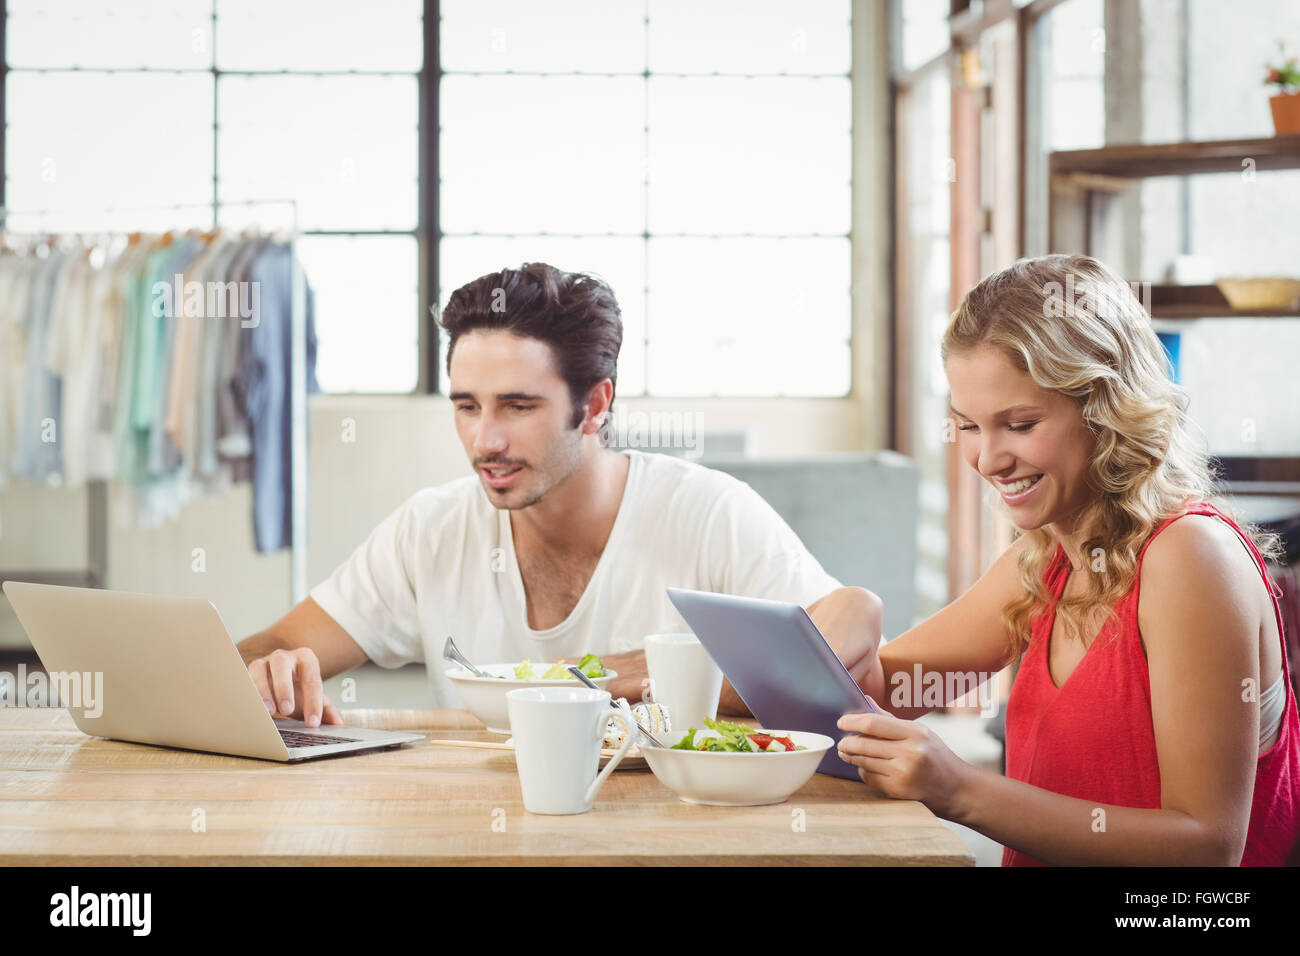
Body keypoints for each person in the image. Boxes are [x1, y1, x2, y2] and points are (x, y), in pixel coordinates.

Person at [236, 262, 880, 728]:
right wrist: (270, 672)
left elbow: (850, 625)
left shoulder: (707, 513)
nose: (484, 440)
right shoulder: (429, 531)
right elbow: (258, 653)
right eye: (467, 406)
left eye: (518, 406)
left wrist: (645, 674)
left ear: (594, 404)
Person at [834, 254, 1300, 866]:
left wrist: (959, 789)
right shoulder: (1048, 556)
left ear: (1107, 408)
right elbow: (875, 702)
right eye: (969, 426)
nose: (988, 459)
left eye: (1020, 424)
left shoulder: (1191, 558)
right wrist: (840, 619)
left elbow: (1207, 849)